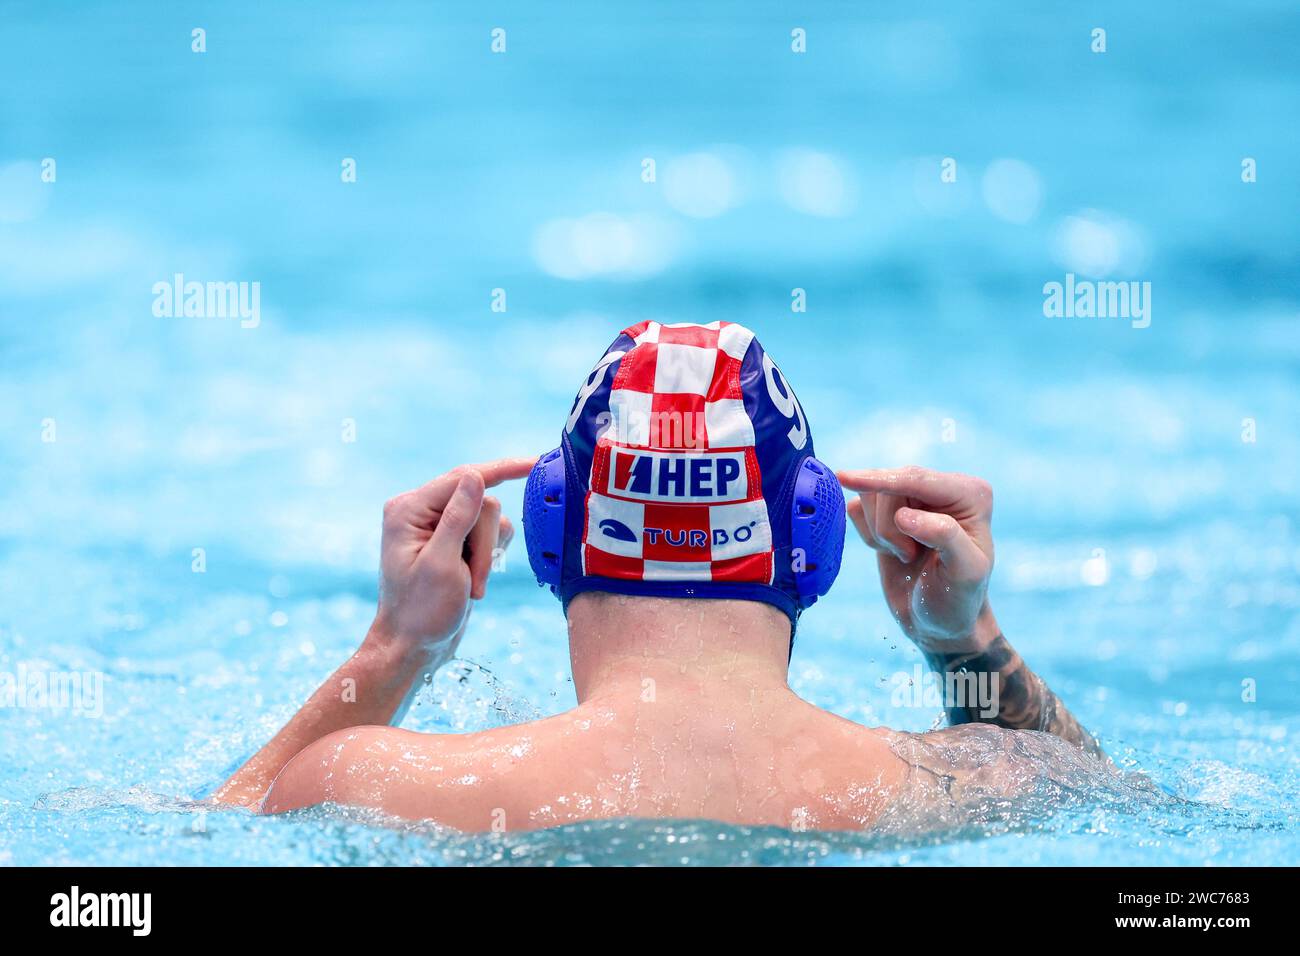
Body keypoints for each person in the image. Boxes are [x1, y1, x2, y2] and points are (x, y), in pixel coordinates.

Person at [213, 321, 1114, 832]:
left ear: (551, 528)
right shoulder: (963, 784)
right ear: (815, 540)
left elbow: (190, 854)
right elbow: (1109, 804)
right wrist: (963, 636)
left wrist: (394, 648)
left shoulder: (375, 785)